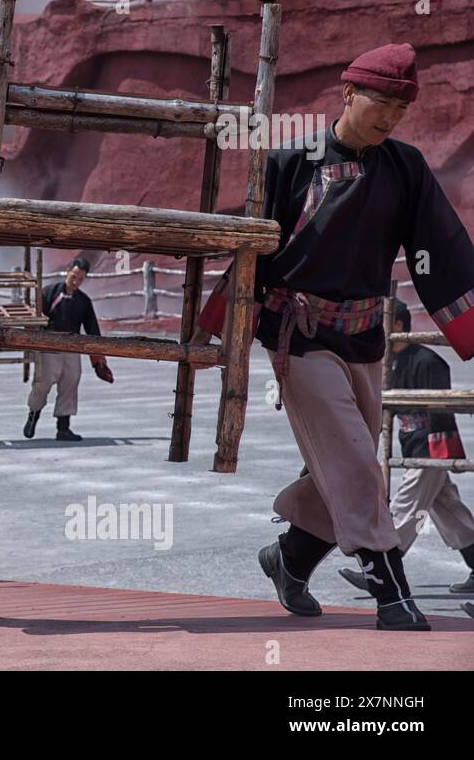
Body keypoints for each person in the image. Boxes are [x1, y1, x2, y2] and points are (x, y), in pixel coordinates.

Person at [194, 43, 474, 631]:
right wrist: (218, 330)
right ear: (348, 93)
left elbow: (439, 249)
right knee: (355, 461)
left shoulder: (405, 165)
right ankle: (392, 592)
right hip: (300, 337)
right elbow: (251, 256)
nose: (391, 117)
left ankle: (289, 559)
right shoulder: (290, 162)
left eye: (401, 107)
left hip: (366, 337)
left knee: (342, 465)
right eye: (381, 102)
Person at [338, 301, 474, 594]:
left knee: (405, 506)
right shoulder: (389, 364)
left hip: (432, 448)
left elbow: (441, 413)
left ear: (397, 325)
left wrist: (437, 456)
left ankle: (382, 571)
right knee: (450, 511)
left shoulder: (428, 362)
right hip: (414, 449)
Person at [22, 258, 114, 441]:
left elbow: (92, 331)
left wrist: (98, 360)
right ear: (67, 271)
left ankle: (63, 428)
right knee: (42, 384)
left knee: (70, 384)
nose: (76, 281)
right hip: (49, 346)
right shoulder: (49, 293)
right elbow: (34, 320)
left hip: (72, 347)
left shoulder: (84, 301)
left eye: (80, 279)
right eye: (74, 276)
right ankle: (33, 416)